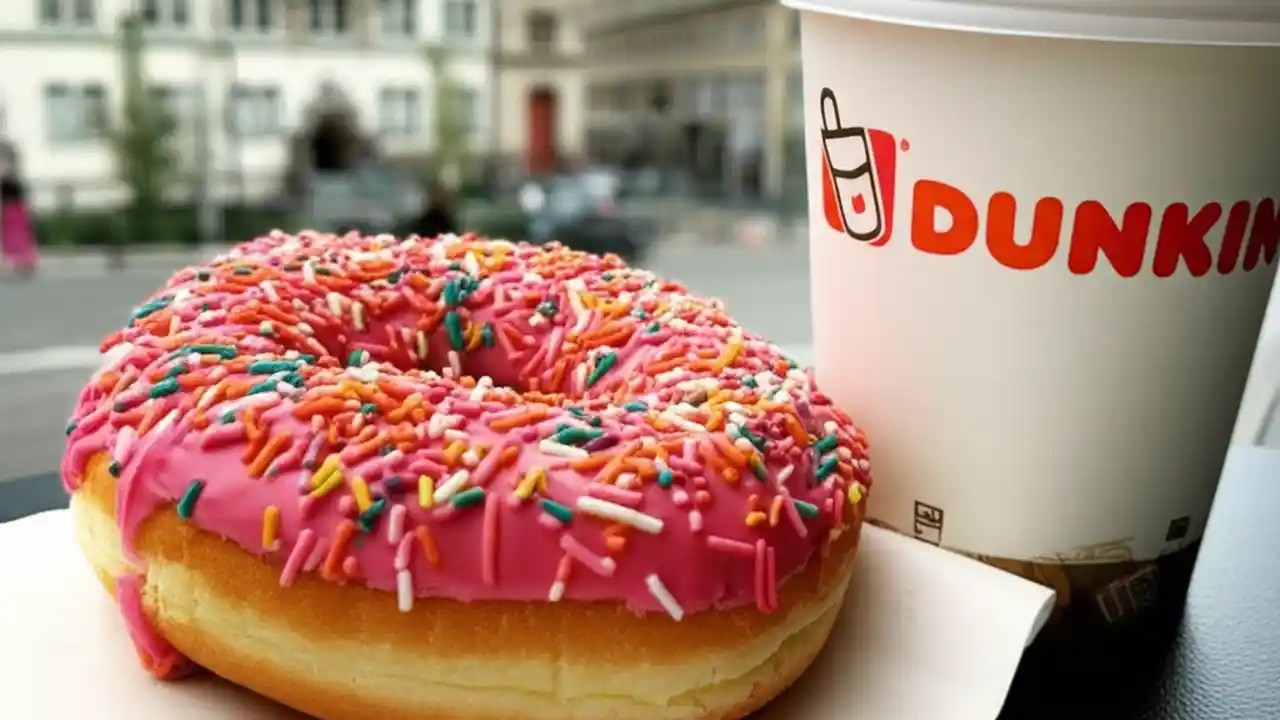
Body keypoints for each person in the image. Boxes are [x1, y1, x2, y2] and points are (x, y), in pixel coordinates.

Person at [0, 152, 36, 277]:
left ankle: (25, 263)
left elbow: (23, 198)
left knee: (20, 238)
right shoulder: (7, 181)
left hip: (16, 211)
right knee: (14, 238)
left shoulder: (15, 180)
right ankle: (20, 263)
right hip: (10, 212)